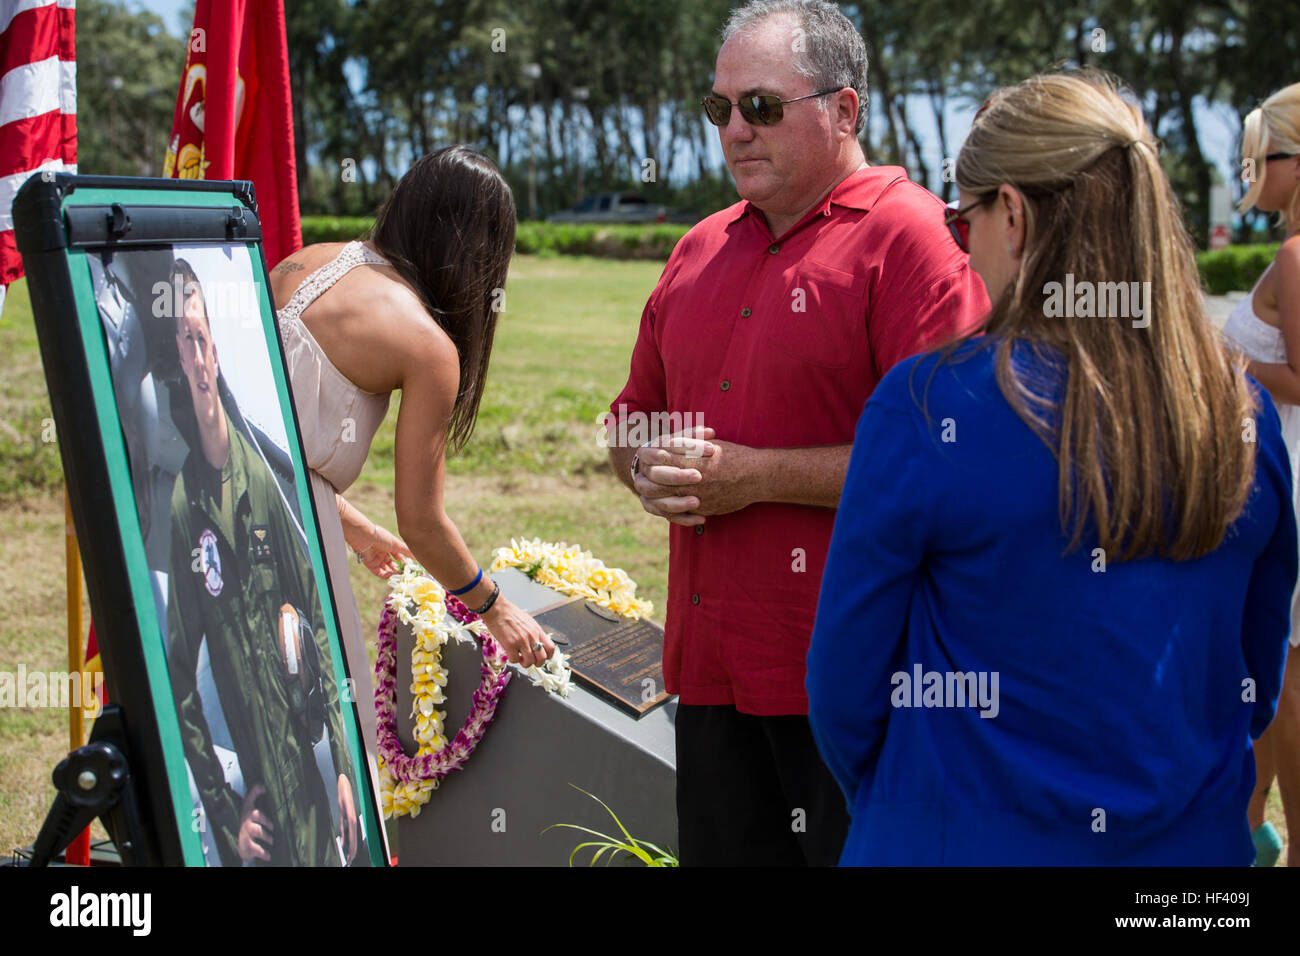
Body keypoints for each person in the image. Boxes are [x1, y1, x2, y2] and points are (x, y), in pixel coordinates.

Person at [807, 70, 1297, 865]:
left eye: (960, 223)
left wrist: (904, 803)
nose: (963, 254)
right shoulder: (1240, 415)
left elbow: (842, 686)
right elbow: (1252, 677)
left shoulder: (929, 406)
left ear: (1013, 213)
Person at [606, 0, 988, 866]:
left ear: (844, 110)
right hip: (708, 679)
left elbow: (953, 461)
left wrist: (757, 476)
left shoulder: (915, 242)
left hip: (855, 688)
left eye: (763, 107)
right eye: (720, 109)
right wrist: (642, 463)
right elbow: (629, 416)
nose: (735, 130)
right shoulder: (698, 247)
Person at [268, 146, 556, 811]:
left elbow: (266, 438)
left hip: (204, 509)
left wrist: (356, 529)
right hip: (280, 554)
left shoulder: (304, 260)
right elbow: (422, 521)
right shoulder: (427, 344)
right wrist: (495, 608)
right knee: (316, 750)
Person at [165, 259, 361, 866]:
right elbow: (177, 687)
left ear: (216, 350)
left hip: (311, 787)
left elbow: (318, 617)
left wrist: (346, 772)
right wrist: (225, 814)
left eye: (200, 339)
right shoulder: (183, 504)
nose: (196, 359)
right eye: (182, 345)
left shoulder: (264, 478)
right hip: (261, 823)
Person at [1224, 81, 1300, 867]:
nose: (1252, 168)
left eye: (1265, 157)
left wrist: (1229, 359)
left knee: (1284, 677)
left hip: (1290, 468)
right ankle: (1256, 831)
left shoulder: (1294, 254)